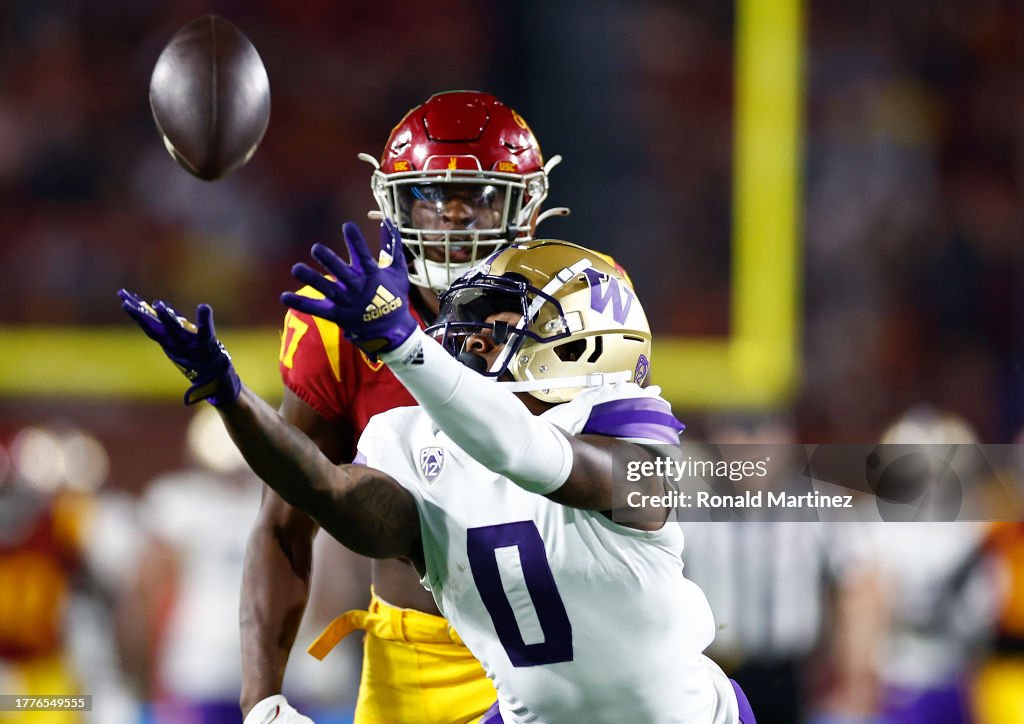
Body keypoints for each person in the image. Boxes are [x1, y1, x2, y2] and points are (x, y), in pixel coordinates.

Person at [118, 226, 756, 723]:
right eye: (473, 319)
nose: (473, 338)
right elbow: (326, 492)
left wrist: (404, 345)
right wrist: (232, 398)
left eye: (503, 323)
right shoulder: (418, 441)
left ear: (583, 342)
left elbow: (526, 454)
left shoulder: (637, 451)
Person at [247, 91, 569, 723]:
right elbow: (283, 523)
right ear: (393, 203)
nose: (454, 215)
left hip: (565, 646)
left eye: (480, 196)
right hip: (413, 665)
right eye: (431, 195)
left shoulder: (580, 304)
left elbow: (630, 486)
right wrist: (260, 699)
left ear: (526, 207)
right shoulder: (337, 325)